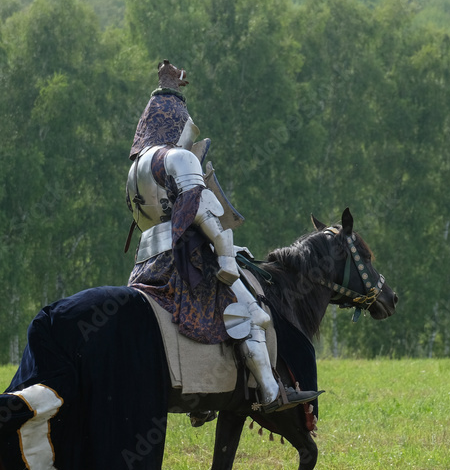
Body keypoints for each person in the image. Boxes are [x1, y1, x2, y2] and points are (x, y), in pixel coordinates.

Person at [125, 60, 320, 413]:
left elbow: (147, 217)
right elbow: (199, 208)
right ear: (174, 119)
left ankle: (204, 401)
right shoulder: (177, 157)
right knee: (252, 314)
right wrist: (227, 257)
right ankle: (270, 391)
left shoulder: (135, 169)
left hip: (145, 263)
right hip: (184, 258)